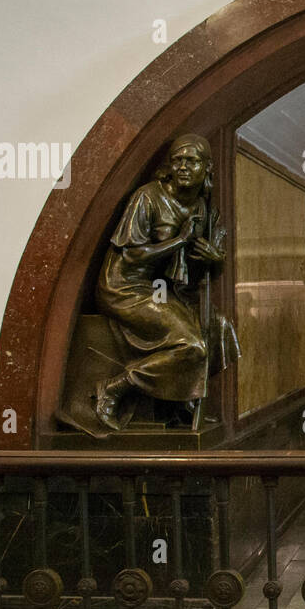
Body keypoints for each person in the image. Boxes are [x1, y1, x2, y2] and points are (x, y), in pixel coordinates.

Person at [93, 133, 236, 431]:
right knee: (192, 345)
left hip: (162, 289)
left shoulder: (201, 206)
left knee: (220, 330)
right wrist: (180, 240)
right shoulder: (148, 196)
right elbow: (132, 256)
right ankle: (114, 388)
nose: (183, 167)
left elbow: (196, 268)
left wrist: (215, 259)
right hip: (124, 287)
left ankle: (177, 400)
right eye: (177, 161)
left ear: (207, 168)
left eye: (191, 161)